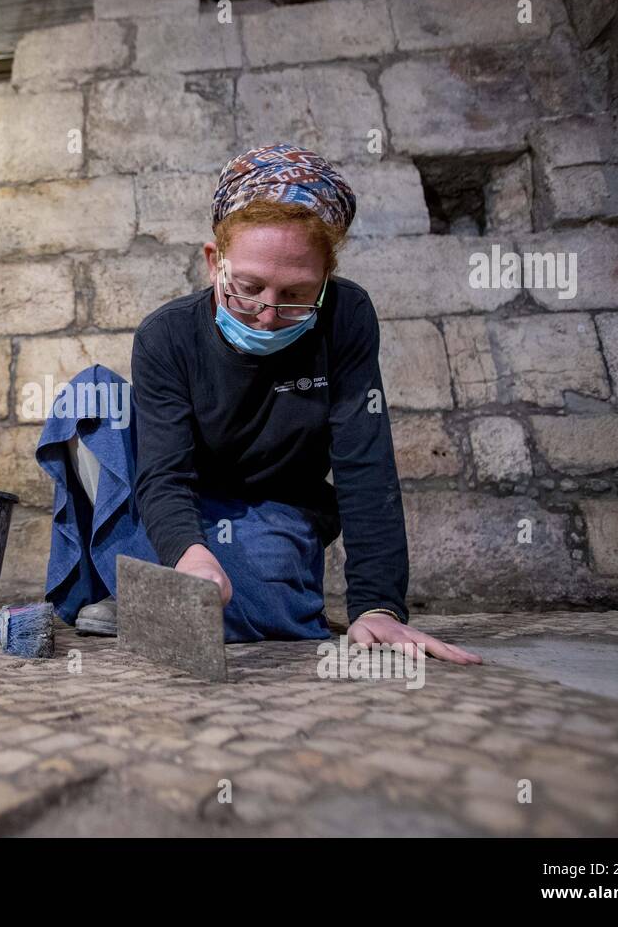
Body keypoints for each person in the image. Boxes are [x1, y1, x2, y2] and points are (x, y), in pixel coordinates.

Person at [39, 143, 482, 664]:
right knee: (91, 397)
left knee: (276, 594)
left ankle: (150, 598)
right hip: (180, 504)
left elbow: (366, 467)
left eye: (297, 295)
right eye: (247, 288)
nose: (267, 315)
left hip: (275, 512)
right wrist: (189, 553)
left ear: (324, 284)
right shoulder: (167, 335)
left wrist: (377, 606)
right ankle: (170, 590)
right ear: (214, 263)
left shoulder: (347, 318)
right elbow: (162, 474)